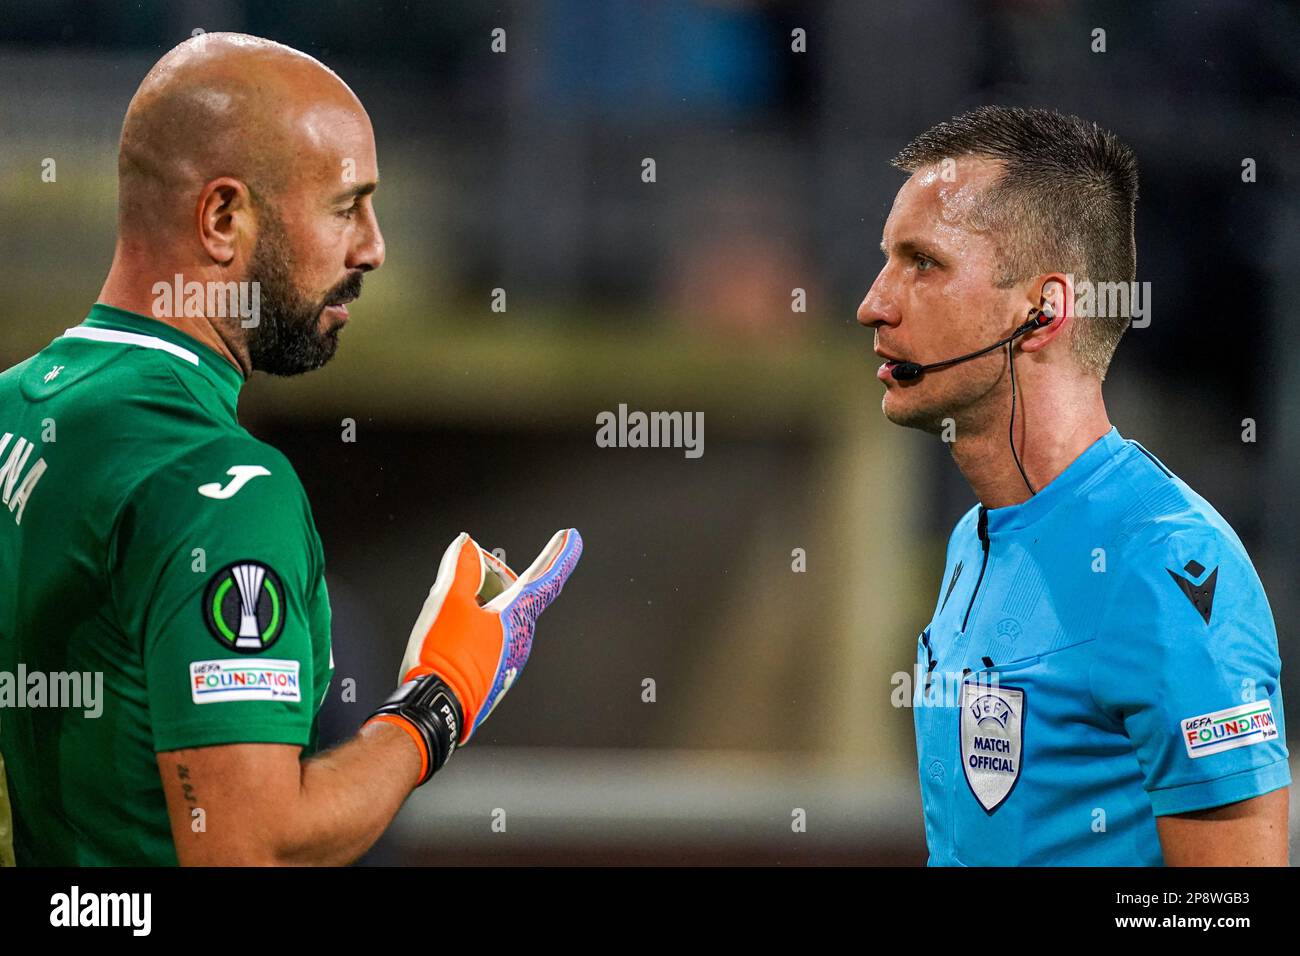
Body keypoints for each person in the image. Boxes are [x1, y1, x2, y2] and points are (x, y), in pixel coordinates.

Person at [0, 32, 581, 866]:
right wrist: (440, 699)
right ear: (223, 219)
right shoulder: (223, 489)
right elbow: (251, 846)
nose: (373, 247)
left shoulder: (14, 410)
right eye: (346, 207)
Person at [859, 106, 1289, 865]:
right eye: (889, 261)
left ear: (1043, 311)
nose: (874, 304)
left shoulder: (1167, 563)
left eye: (922, 263)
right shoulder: (973, 541)